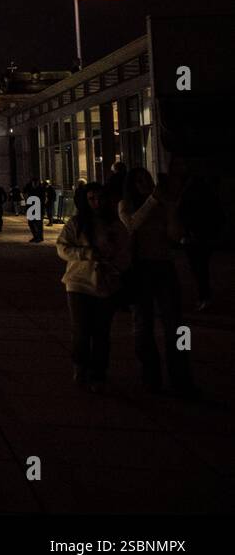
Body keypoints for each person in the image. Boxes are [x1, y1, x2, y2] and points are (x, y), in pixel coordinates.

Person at [119, 167, 197, 396]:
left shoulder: (162, 205)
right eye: (139, 180)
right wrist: (153, 199)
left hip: (164, 266)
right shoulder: (127, 205)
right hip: (140, 268)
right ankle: (150, 376)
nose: (144, 182)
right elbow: (131, 223)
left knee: (178, 325)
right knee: (143, 325)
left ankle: (182, 375)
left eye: (147, 178)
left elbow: (175, 234)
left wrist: (171, 207)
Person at [56, 181, 130, 391]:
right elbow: (61, 248)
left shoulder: (115, 226)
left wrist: (115, 266)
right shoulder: (76, 223)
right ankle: (80, 366)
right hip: (78, 283)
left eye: (100, 198)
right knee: (81, 329)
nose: (96, 203)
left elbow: (126, 253)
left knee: (101, 332)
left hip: (106, 283)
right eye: (91, 199)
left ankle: (98, 373)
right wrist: (86, 254)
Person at [179, 172, 221, 311]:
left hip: (193, 238)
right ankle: (204, 295)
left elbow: (182, 215)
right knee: (202, 268)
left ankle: (203, 295)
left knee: (198, 268)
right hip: (205, 237)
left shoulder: (186, 196)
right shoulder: (210, 197)